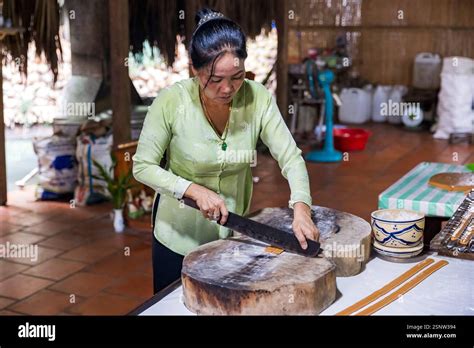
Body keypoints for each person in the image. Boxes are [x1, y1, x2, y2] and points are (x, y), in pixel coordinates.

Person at [132, 8, 320, 294]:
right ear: (195, 70)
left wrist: (302, 209)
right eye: (215, 79)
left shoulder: (257, 98)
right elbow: (143, 166)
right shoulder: (171, 102)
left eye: (237, 76)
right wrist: (192, 190)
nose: (227, 88)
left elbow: (291, 157)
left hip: (232, 236)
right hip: (177, 237)